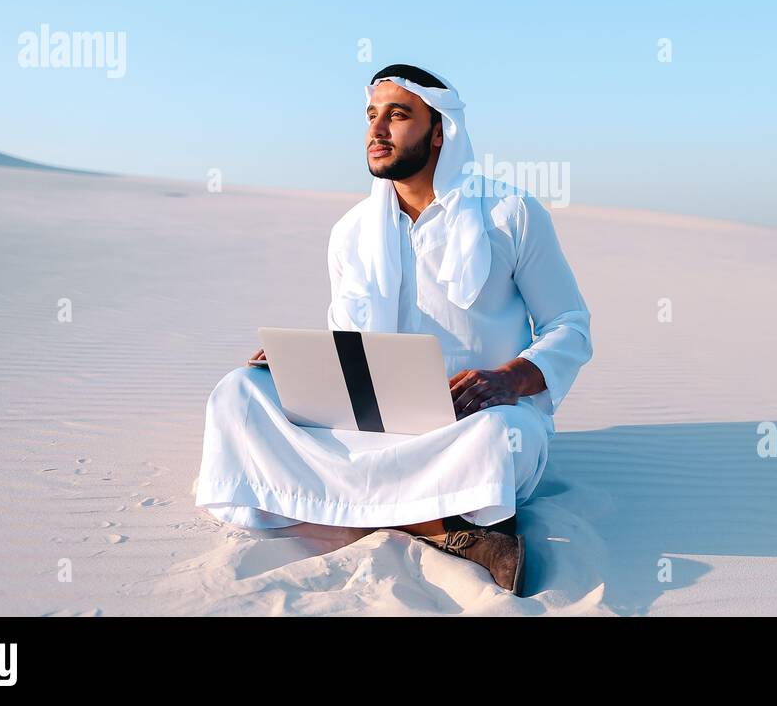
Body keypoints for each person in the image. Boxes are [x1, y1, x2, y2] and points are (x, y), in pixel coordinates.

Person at [195, 64, 593, 595]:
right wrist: (302, 363)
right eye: (371, 116)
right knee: (239, 394)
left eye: (398, 115)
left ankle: (336, 507)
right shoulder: (351, 231)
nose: (376, 131)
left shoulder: (510, 213)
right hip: (370, 423)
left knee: (504, 437)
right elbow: (348, 339)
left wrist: (509, 380)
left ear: (438, 133)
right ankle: (442, 527)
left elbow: (570, 325)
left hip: (469, 424)